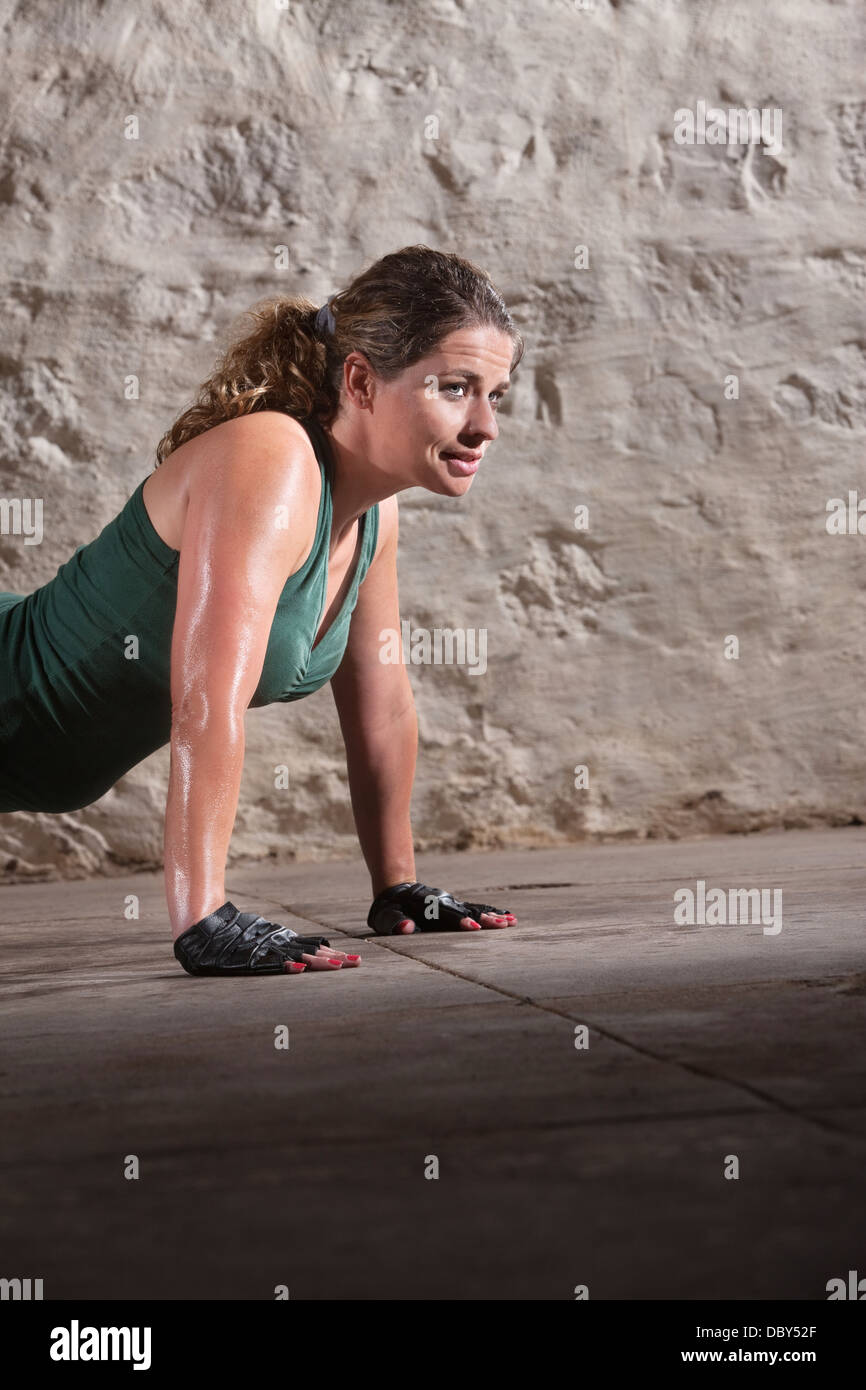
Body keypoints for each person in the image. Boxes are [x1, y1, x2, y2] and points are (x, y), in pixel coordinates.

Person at [0, 245, 523, 976]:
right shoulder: (269, 458)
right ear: (362, 380)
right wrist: (203, 918)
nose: (485, 425)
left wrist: (397, 887)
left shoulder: (372, 515)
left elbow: (383, 707)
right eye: (455, 388)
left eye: (495, 395)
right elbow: (207, 698)